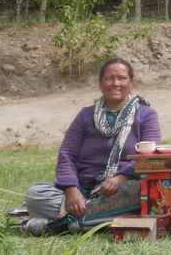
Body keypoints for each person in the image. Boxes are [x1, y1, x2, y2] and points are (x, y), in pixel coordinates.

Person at [21, 58, 161, 235]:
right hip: (83, 189)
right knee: (35, 194)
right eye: (109, 78)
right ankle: (94, 219)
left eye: (122, 78)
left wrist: (121, 177)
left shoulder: (146, 115)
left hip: (122, 189)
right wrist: (71, 190)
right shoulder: (86, 115)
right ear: (100, 83)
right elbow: (67, 154)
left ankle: (63, 224)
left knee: (142, 192)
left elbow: (150, 155)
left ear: (131, 82)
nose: (115, 83)